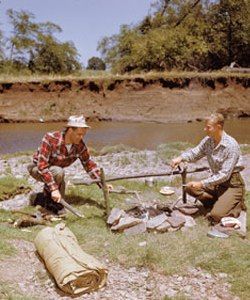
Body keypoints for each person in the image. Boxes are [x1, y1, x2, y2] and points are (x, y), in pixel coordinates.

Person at [171, 113, 246, 223]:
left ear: (218, 127)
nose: (205, 129)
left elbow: (224, 175)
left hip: (232, 185)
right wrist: (180, 158)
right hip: (217, 184)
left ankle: (236, 205)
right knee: (189, 187)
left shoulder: (231, 145)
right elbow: (195, 153)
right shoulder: (208, 140)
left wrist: (201, 183)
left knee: (216, 215)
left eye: (208, 127)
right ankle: (219, 203)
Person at [27, 115, 103, 215]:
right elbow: (42, 166)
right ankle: (49, 202)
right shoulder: (50, 138)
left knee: (58, 199)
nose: (81, 138)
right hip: (37, 168)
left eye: (83, 135)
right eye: (79, 134)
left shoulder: (80, 145)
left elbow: (88, 164)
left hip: (55, 172)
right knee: (58, 173)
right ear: (70, 130)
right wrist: (54, 189)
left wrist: (102, 183)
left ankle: (38, 198)